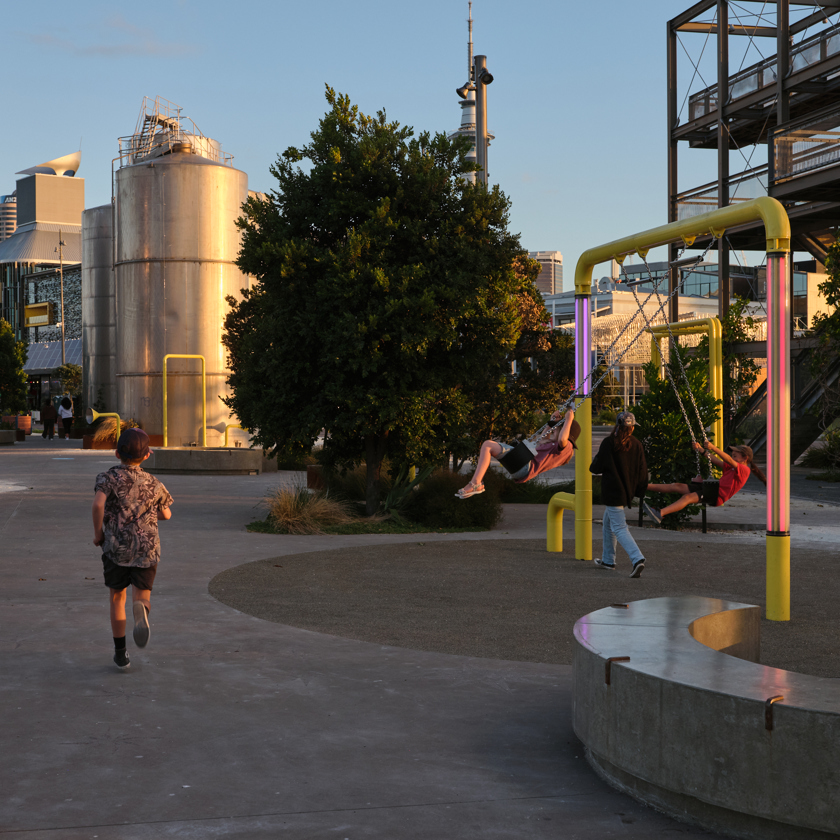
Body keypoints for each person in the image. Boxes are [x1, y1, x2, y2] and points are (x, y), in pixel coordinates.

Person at [92, 428, 173, 669]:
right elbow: (167, 514)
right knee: (142, 594)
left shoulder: (107, 478)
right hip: (146, 548)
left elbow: (98, 504)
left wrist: (98, 533)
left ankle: (121, 653)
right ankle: (142, 611)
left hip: (116, 547)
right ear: (147, 455)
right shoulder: (154, 483)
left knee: (117, 598)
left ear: (117, 453)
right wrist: (146, 511)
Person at [456, 408, 580, 499]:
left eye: (556, 430)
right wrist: (551, 422)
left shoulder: (567, 447)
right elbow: (542, 439)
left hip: (525, 465)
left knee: (488, 445)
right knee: (487, 446)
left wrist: (568, 420)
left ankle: (476, 484)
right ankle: (476, 483)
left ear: (568, 433)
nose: (553, 433)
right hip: (520, 468)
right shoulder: (552, 445)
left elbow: (562, 439)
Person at [643, 441, 766, 525]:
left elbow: (727, 459)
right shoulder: (732, 468)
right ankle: (644, 486)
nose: (732, 457)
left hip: (717, 495)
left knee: (687, 497)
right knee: (677, 486)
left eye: (735, 456)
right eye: (732, 455)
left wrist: (713, 447)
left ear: (745, 458)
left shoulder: (744, 470)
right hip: (711, 488)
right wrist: (701, 449)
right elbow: (715, 460)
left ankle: (660, 513)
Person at [589, 411, 649, 578]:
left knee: (619, 527)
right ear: (632, 428)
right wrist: (639, 492)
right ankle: (608, 560)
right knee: (608, 524)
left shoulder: (609, 443)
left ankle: (637, 559)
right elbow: (643, 472)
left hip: (612, 492)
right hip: (626, 492)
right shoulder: (637, 444)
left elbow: (596, 468)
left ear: (617, 425)